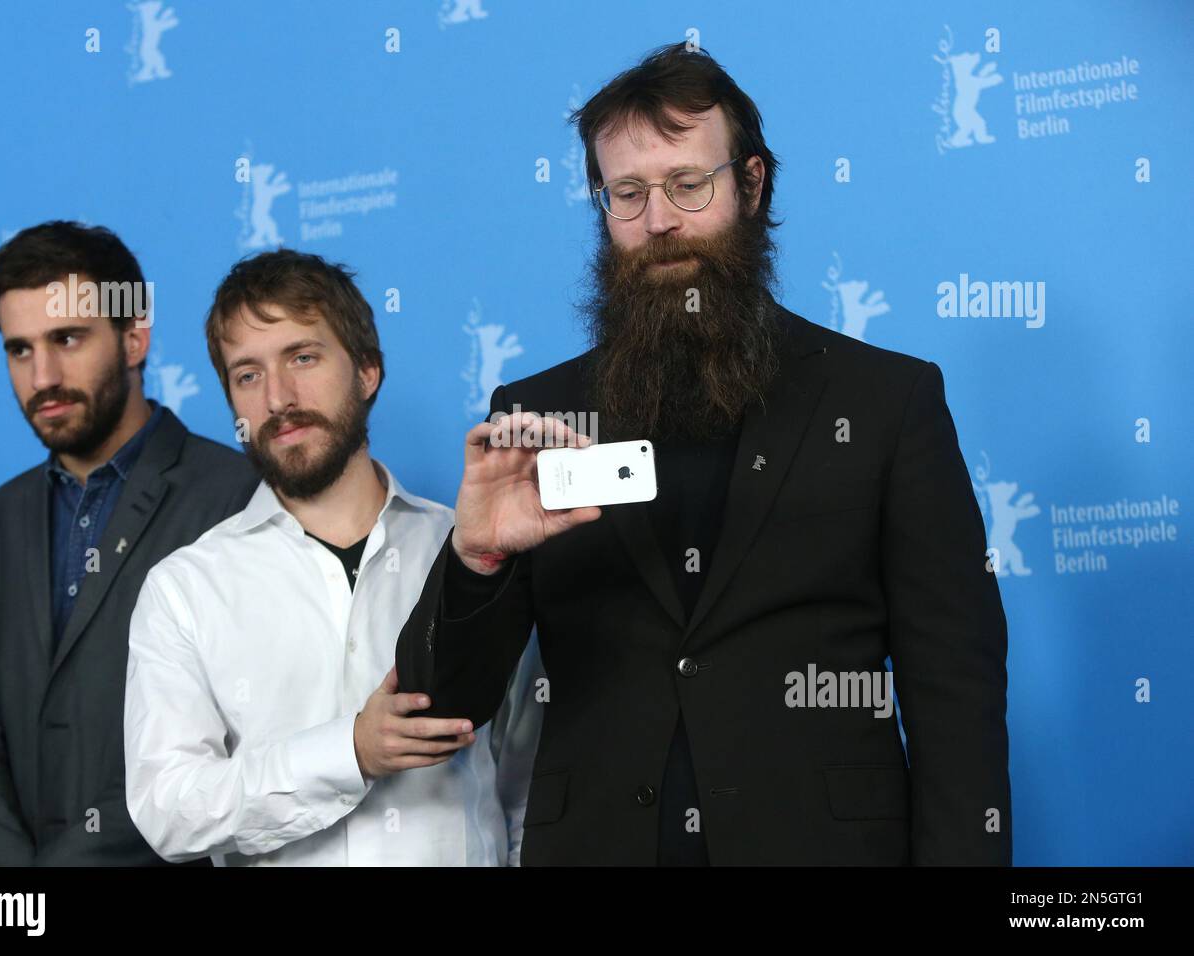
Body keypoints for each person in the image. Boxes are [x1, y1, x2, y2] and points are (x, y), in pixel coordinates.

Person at [394, 43, 1012, 865]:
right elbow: (441, 710)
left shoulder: (885, 404)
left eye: (689, 185)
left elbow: (955, 698)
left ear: (752, 184)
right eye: (628, 193)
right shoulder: (534, 419)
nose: (659, 221)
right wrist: (476, 559)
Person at [124, 250, 539, 865]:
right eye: (247, 375)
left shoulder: (474, 552)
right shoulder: (184, 588)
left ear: (367, 371)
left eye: (303, 357)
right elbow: (168, 808)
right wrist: (347, 752)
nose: (278, 398)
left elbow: (529, 783)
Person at [0, 221, 257, 865]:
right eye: (20, 349)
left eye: (67, 339)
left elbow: (237, 736)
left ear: (133, 338)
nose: (44, 375)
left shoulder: (234, 496)